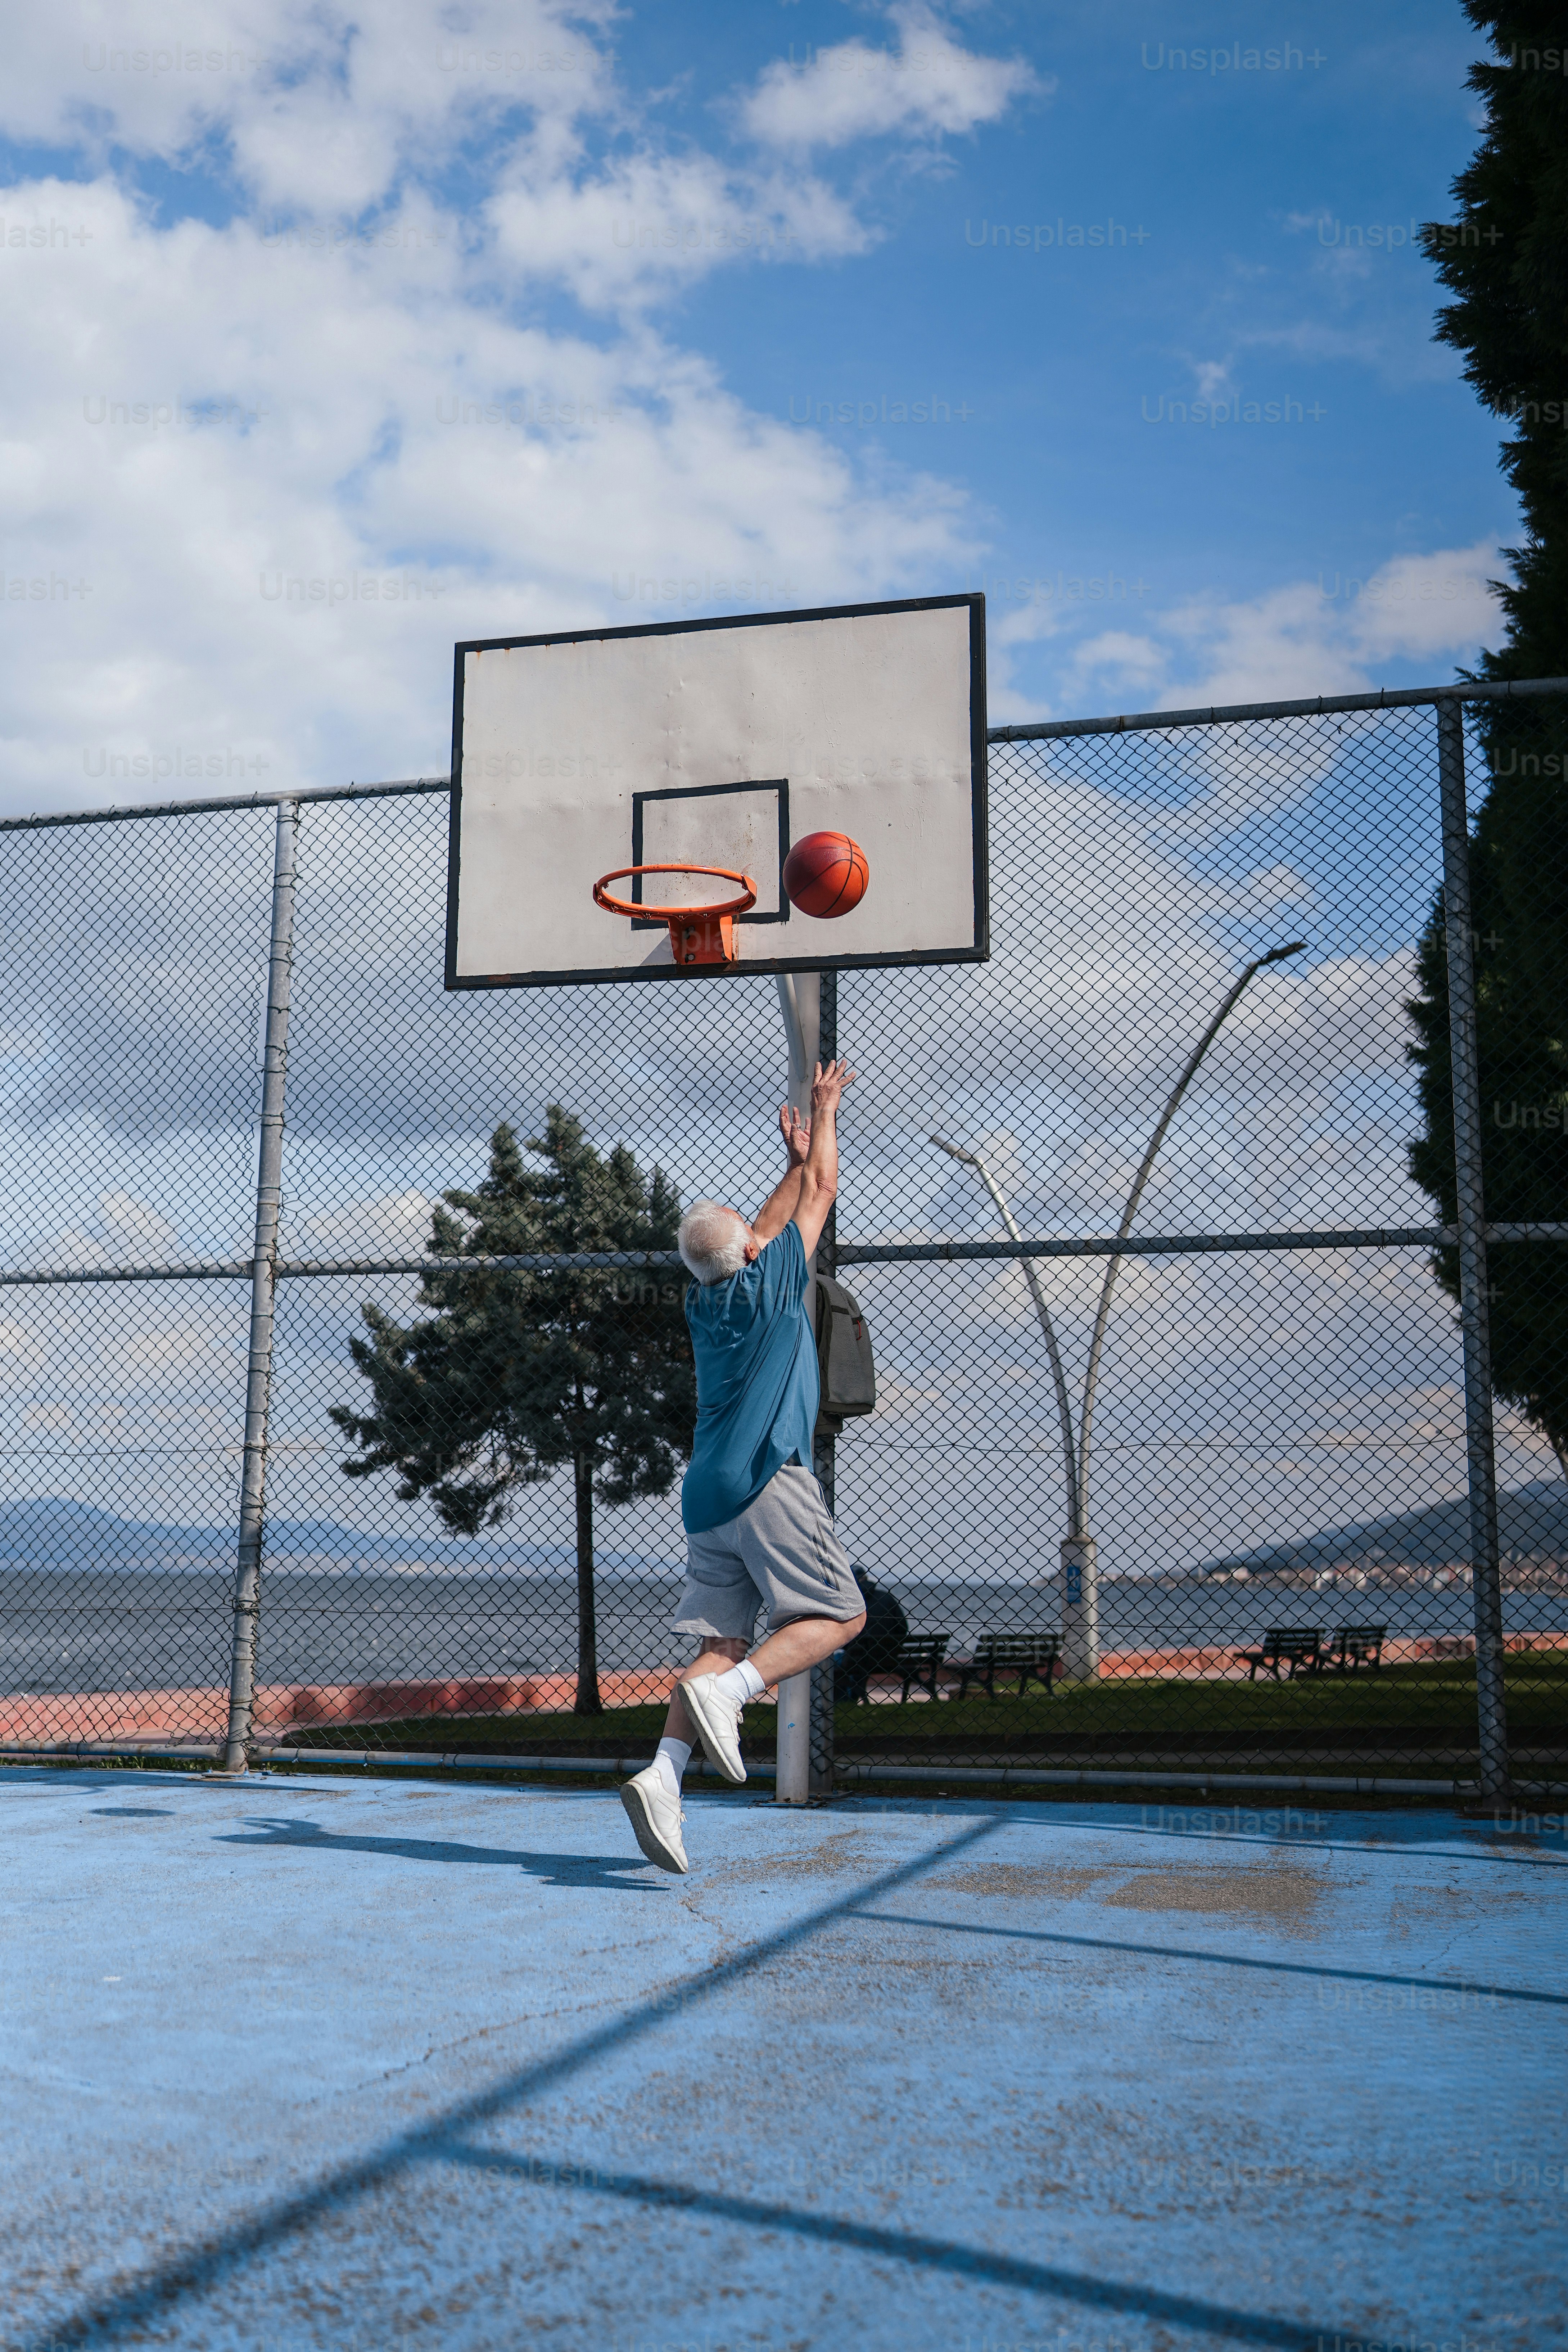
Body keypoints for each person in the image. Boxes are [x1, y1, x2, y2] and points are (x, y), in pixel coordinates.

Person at [620, 1059, 866, 1874]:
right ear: (755, 1251)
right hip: (768, 1478)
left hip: (706, 1497)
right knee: (840, 1617)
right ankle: (734, 1696)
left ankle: (663, 1774)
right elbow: (823, 1193)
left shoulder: (706, 1298)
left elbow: (758, 1222)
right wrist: (823, 1117)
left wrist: (789, 1169)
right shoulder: (772, 1287)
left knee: (721, 1641)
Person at [833, 1569, 908, 1704]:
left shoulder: (849, 1601)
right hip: (889, 1657)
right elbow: (903, 1628)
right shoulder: (887, 1598)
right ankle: (850, 1698)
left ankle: (843, 1702)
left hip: (857, 1658)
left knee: (831, 1663)